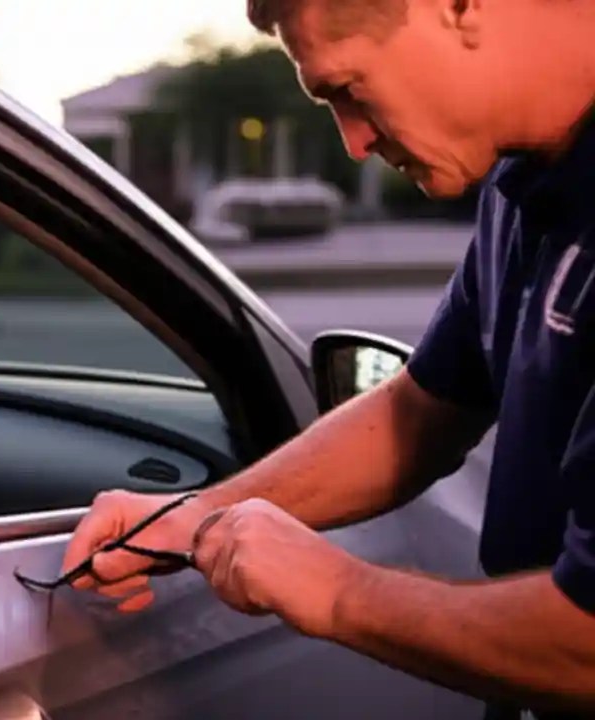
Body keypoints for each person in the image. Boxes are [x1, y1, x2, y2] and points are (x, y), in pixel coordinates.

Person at [61, 0, 595, 717]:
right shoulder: (521, 184)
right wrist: (198, 515)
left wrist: (336, 591)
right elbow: (420, 413)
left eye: (348, 89)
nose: (354, 143)